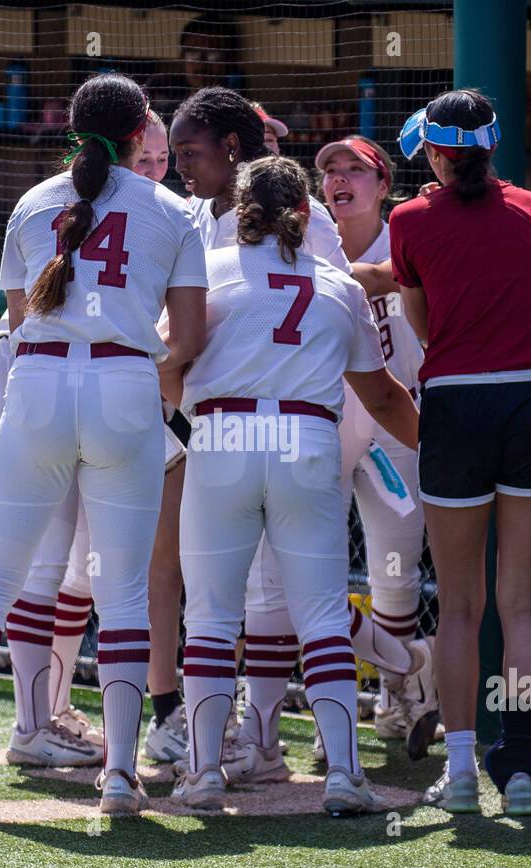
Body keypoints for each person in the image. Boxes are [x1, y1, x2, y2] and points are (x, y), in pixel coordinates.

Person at [0, 73, 206, 814]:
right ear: (140, 135)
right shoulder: (172, 210)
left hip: (36, 386)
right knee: (123, 594)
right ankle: (124, 774)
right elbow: (189, 337)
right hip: (125, 389)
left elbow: (18, 318)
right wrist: (131, 363)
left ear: (71, 131)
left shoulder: (34, 201)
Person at [168, 88, 422, 786]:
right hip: (310, 437)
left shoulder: (209, 270)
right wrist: (437, 445)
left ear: (242, 208)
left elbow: (171, 356)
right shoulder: (336, 282)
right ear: (305, 211)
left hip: (221, 438)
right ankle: (344, 773)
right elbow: (383, 392)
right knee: (319, 616)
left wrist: (164, 416)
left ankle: (205, 769)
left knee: (215, 618)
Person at [0, 105, 189, 771]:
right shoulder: (67, 200)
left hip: (93, 383)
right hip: (55, 378)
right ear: (122, 146)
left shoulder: (157, 207)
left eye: (163, 161)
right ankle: (36, 722)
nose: (153, 169)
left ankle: (52, 711)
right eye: (145, 157)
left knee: (85, 569)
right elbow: (27, 318)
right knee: (50, 564)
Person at [391, 90, 531, 816]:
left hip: (458, 399)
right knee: (524, 607)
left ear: (433, 151)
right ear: (492, 146)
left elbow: (424, 323)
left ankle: (460, 771)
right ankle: (521, 767)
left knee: (458, 606)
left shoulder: (408, 219)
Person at [315, 134, 435, 753]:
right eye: (329, 169)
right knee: (317, 573)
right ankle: (339, 700)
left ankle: (396, 694)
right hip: (326, 419)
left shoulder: (408, 237)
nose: (339, 178)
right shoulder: (311, 238)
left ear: (383, 184)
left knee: (395, 574)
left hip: (399, 415)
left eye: (354, 169)